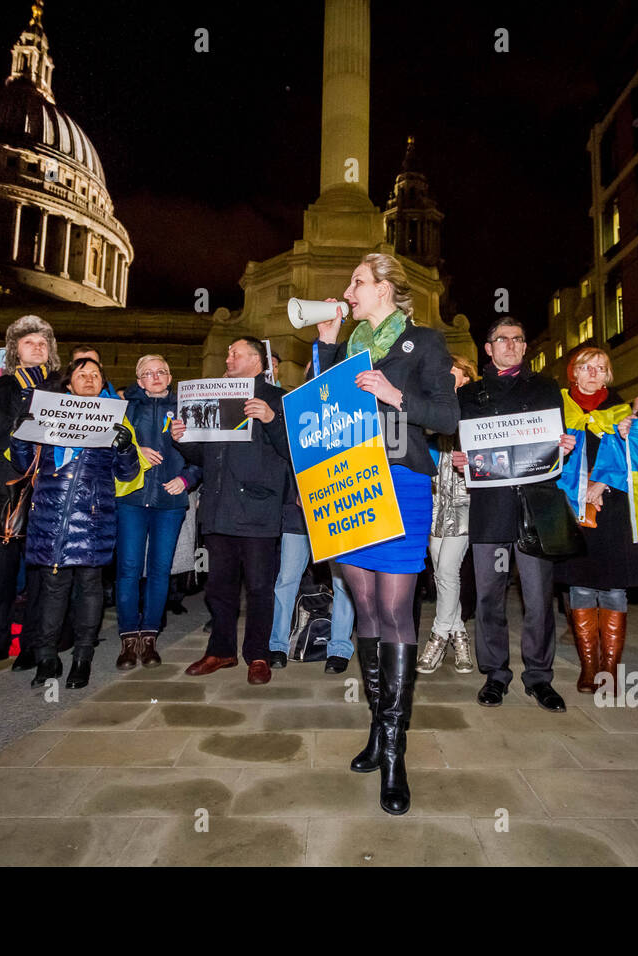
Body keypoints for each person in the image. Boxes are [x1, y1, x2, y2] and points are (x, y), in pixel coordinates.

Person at [312, 252, 459, 816]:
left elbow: (446, 418)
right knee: (365, 607)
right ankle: (378, 729)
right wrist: (326, 346)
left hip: (400, 479)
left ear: (387, 290)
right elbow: (319, 413)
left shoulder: (421, 342)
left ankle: (395, 753)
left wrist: (393, 394)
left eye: (356, 282)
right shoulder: (345, 348)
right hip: (346, 482)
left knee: (396, 610)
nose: (348, 290)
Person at [456, 317, 576, 715]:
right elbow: (465, 444)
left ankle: (540, 677)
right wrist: (462, 459)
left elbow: (553, 439)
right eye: (502, 339)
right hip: (491, 507)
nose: (511, 344)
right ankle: (495, 674)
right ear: (487, 348)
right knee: (489, 595)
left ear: (525, 347)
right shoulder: (469, 395)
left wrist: (563, 444)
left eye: (518, 339)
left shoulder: (545, 388)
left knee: (539, 598)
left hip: (535, 506)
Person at [11, 357, 142, 689]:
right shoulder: (47, 418)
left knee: (89, 589)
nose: (89, 379)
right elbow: (23, 463)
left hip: (94, 519)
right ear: (68, 384)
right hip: (50, 518)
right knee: (53, 592)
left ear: (102, 384)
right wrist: (21, 435)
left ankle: (83, 657)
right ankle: (47, 658)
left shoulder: (114, 421)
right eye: (82, 374)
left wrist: (126, 449)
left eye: (96, 374)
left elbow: (128, 474)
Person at [170, 337, 290, 686]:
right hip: (219, 508)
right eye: (228, 351)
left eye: (235, 352)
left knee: (259, 587)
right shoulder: (216, 395)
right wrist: (182, 438)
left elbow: (292, 452)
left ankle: (258, 655)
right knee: (219, 588)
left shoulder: (278, 400)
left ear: (258, 361)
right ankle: (221, 650)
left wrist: (270, 420)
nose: (228, 356)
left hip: (258, 509)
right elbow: (203, 456)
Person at [0, 315, 60, 672]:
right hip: (5, 487)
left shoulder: (60, 387)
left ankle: (34, 645)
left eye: (42, 343)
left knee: (39, 570)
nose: (37, 348)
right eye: (28, 343)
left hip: (46, 487)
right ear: (14, 350)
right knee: (0, 572)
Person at [556, 346, 638, 694]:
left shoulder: (623, 412)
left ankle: (610, 670)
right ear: (573, 373)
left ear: (608, 376)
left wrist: (602, 482)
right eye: (586, 367)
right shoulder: (556, 410)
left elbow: (636, 457)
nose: (593, 373)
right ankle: (589, 668)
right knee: (580, 585)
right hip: (569, 506)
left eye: (601, 368)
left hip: (612, 507)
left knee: (614, 589)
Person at [113, 354, 200, 669]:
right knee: (128, 569)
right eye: (148, 373)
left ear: (170, 376)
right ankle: (127, 638)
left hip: (169, 502)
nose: (156, 376)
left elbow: (202, 455)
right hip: (132, 499)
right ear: (139, 381)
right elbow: (108, 449)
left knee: (160, 570)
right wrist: (135, 451)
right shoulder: (124, 409)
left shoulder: (187, 409)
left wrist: (186, 479)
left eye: (162, 371)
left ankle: (149, 638)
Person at [418, 354, 480, 675]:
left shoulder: (474, 409)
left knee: (446, 571)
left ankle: (437, 637)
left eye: (451, 371)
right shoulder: (434, 407)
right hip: (433, 503)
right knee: (441, 576)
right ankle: (460, 637)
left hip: (464, 503)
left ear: (466, 377)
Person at [267, 466, 357, 674]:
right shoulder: (292, 431)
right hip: (297, 511)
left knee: (342, 582)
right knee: (286, 580)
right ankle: (278, 645)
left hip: (337, 506)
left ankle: (339, 649)